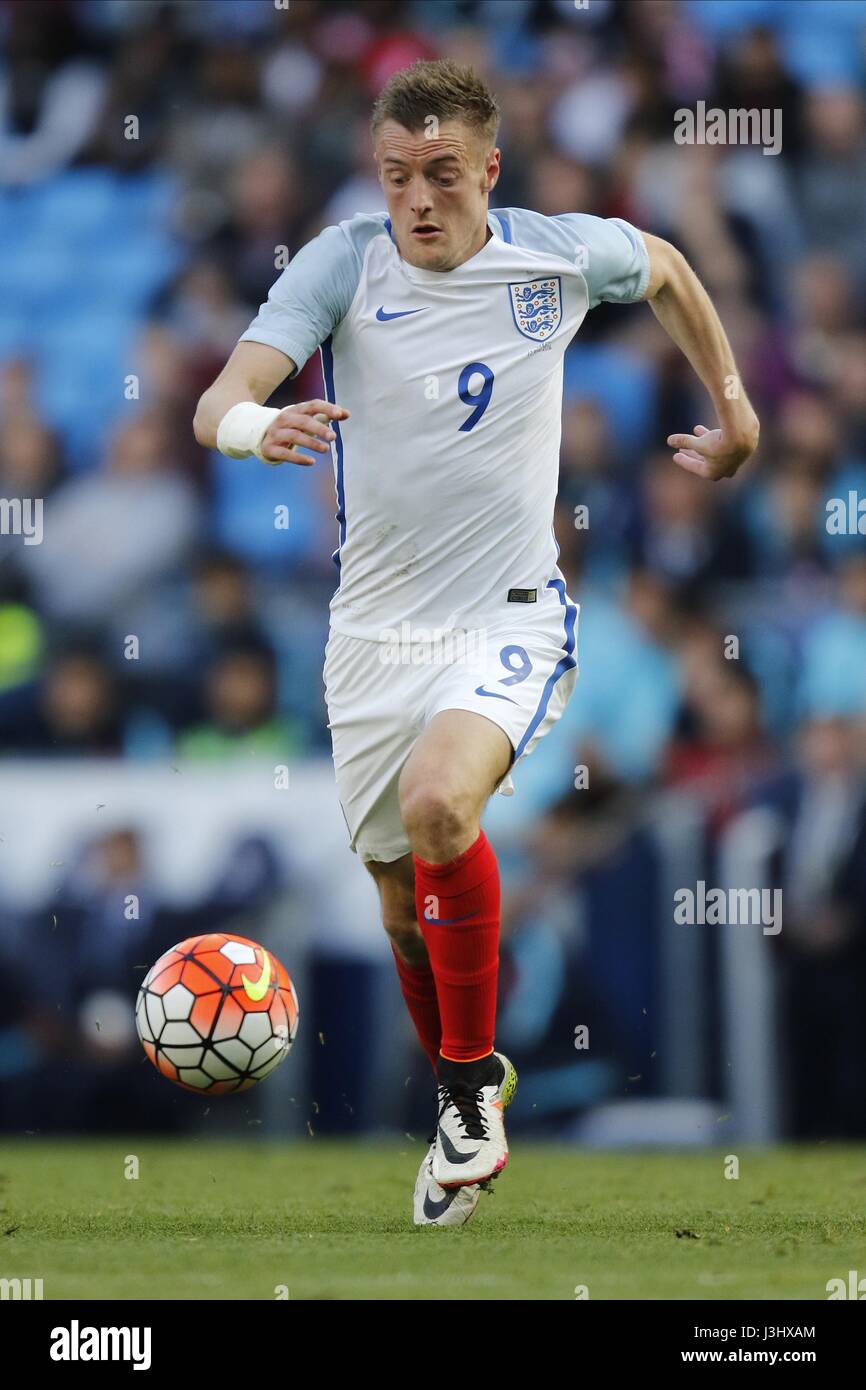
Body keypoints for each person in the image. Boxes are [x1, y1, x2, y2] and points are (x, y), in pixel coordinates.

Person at [193, 59, 759, 1227]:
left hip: (506, 613)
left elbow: (664, 267)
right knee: (401, 903)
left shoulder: (551, 255)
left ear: (487, 170)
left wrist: (735, 403)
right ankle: (469, 1080)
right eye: (396, 173)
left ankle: (460, 1102)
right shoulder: (343, 261)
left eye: (441, 174)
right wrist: (259, 423)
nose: (416, 197)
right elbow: (215, 402)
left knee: (447, 806)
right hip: (371, 636)